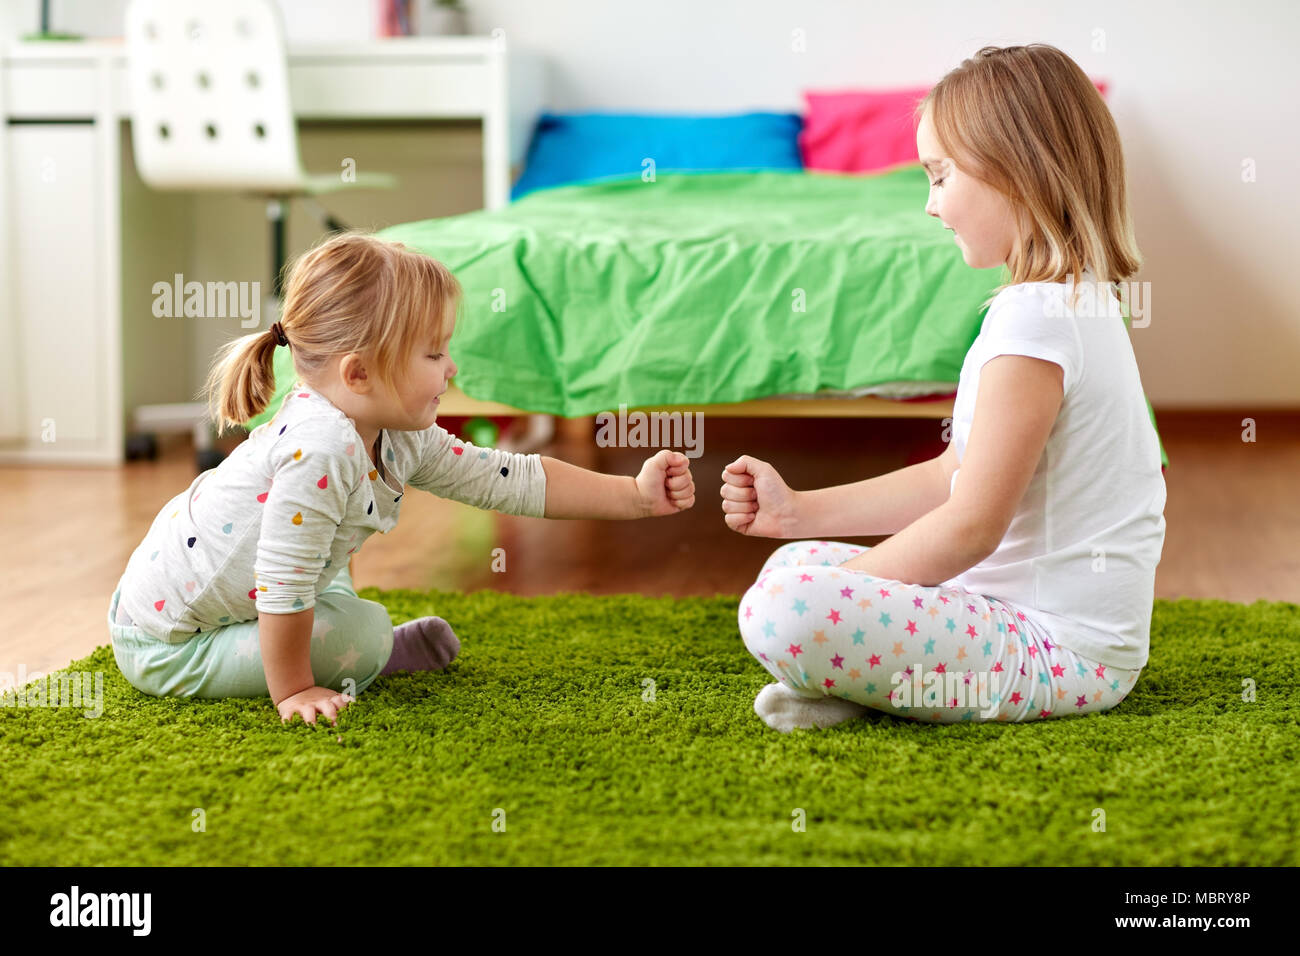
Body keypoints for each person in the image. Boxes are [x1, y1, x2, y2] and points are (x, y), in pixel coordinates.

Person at [722, 44, 1166, 731]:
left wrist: (848, 591)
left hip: (1060, 651)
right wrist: (799, 514)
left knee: (783, 608)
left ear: (1016, 172)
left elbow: (970, 527)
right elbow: (956, 476)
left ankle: (868, 680)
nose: (930, 205)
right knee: (792, 563)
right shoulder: (1061, 301)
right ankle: (866, 682)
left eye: (939, 176)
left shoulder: (1036, 321)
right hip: (1013, 612)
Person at [108, 232, 695, 727]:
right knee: (355, 625)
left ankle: (365, 649)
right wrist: (293, 691)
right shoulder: (320, 449)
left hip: (241, 598)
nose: (452, 368)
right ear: (359, 372)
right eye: (434, 354)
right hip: (168, 644)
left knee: (337, 595)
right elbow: (283, 586)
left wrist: (634, 496)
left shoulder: (396, 428)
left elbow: (506, 477)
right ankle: (370, 654)